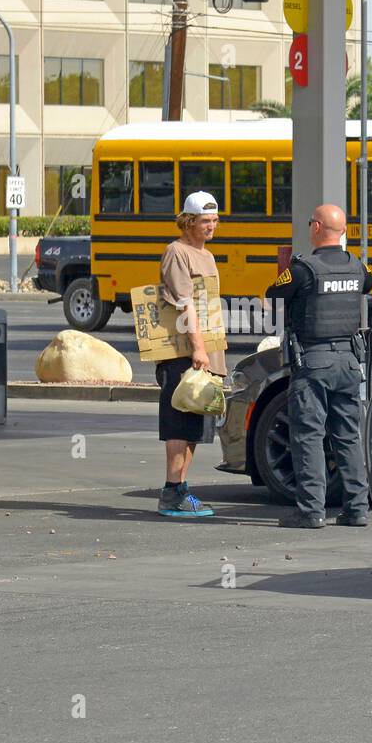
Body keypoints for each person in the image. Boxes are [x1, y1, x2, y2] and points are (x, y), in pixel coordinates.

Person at [265, 203, 372, 529]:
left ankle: (311, 511)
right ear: (342, 232)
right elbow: (367, 288)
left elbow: (274, 293)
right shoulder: (358, 267)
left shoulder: (304, 269)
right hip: (349, 361)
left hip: (314, 362)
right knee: (347, 436)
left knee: (308, 436)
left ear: (316, 228)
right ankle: (356, 509)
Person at [155, 190, 226, 518]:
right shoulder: (177, 252)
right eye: (204, 221)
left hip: (207, 350)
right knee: (179, 421)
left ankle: (181, 489)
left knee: (196, 422)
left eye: (214, 220)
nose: (211, 226)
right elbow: (185, 303)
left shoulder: (207, 256)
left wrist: (212, 350)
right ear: (188, 221)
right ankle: (172, 491)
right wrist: (198, 348)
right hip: (184, 351)